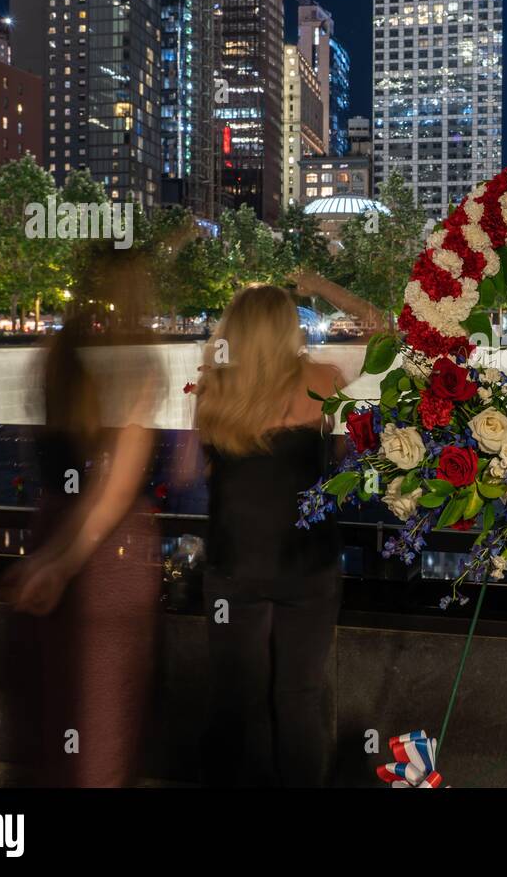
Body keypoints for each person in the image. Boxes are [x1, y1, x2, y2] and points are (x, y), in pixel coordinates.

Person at [195, 274, 383, 786]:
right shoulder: (320, 381)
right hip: (308, 562)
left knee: (239, 702)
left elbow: (210, 472)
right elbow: (385, 331)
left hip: (234, 563)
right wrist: (322, 285)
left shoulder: (214, 387)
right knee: (299, 698)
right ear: (288, 330)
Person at [4, 244, 164, 787]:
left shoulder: (59, 351)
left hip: (50, 524)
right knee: (102, 720)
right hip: (113, 556)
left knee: (56, 712)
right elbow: (113, 491)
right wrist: (64, 561)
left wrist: (46, 555)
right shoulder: (138, 359)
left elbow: (51, 458)